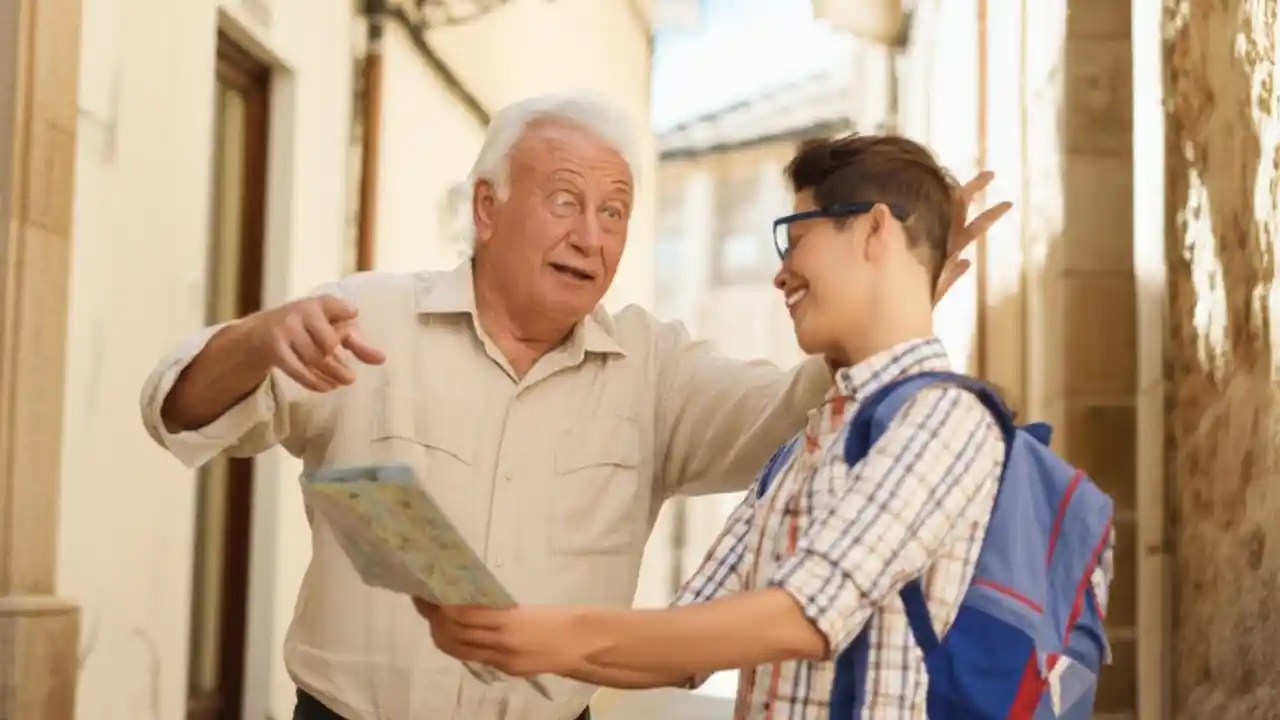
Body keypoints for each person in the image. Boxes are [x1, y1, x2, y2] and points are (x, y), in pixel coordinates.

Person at [139, 95, 1009, 720]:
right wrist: (256, 338)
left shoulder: (656, 370)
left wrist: (895, 290)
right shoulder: (367, 321)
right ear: (488, 207)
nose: (592, 235)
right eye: (565, 202)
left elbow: (796, 424)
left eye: (616, 212)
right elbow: (175, 412)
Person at [415, 133, 1044, 718]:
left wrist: (560, 636)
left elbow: (802, 616)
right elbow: (695, 634)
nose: (781, 271)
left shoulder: (943, 417)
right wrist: (509, 635)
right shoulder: (808, 441)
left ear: (875, 229)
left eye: (794, 237)